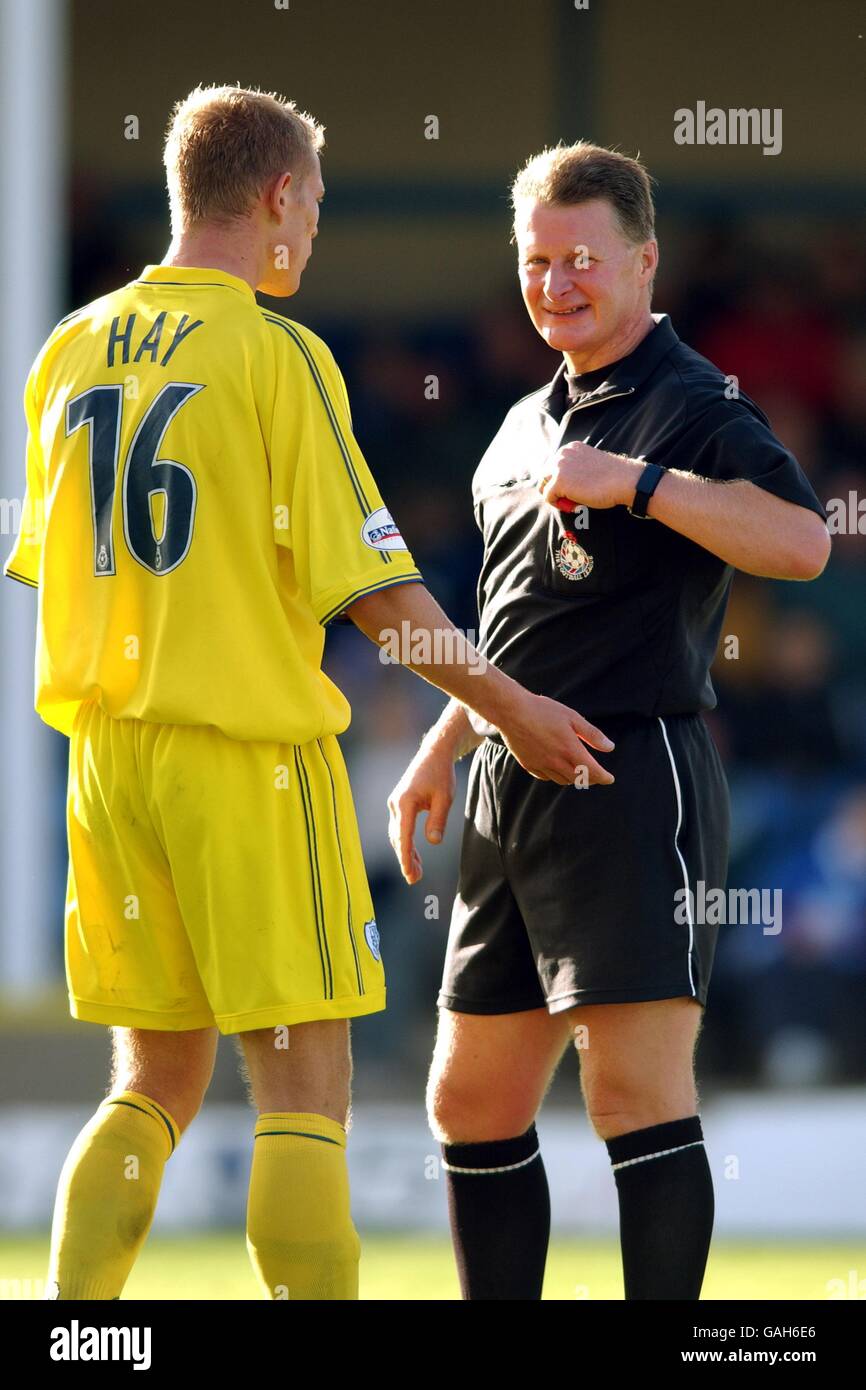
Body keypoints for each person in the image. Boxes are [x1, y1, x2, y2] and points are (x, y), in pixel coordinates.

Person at [3, 90, 613, 1302]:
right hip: (245, 758)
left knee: (150, 1082)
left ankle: (70, 1333)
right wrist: (511, 710)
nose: (316, 233)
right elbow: (380, 598)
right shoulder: (276, 355)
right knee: (301, 1086)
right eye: (318, 207)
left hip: (108, 767)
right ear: (278, 195)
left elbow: (53, 562)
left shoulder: (66, 350)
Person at [387, 141, 830, 1301]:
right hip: (504, 783)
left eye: (582, 258)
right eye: (537, 261)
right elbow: (508, 624)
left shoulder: (691, 401)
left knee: (629, 1096)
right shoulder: (518, 426)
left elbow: (801, 539)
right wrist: (444, 743)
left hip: (631, 773)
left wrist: (635, 483)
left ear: (642, 261)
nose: (556, 283)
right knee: (469, 1099)